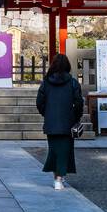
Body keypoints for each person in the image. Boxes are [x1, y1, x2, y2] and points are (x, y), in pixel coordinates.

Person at [37, 54, 84, 190]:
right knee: (64, 151)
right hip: (67, 122)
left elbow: (39, 102)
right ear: (67, 66)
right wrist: (76, 117)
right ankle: (59, 179)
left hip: (51, 122)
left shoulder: (46, 83)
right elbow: (79, 102)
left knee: (54, 151)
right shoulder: (73, 82)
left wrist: (46, 113)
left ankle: (57, 178)